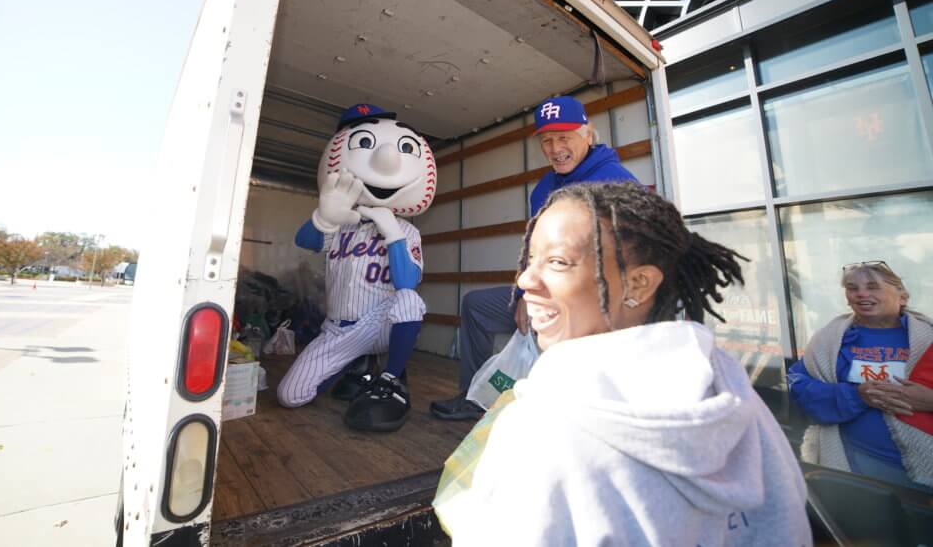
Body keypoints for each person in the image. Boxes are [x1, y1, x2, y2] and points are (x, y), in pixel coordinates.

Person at [433, 181, 812, 546]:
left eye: (557, 262)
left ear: (639, 284)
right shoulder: (733, 393)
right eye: (531, 259)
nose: (525, 280)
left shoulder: (538, 426)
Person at [431, 95, 637, 420]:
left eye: (564, 137)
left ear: (588, 133)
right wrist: (525, 295)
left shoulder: (616, 181)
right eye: (547, 140)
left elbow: (637, 254)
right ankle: (476, 397)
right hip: (544, 294)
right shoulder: (543, 189)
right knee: (476, 305)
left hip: (593, 304)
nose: (555, 148)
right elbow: (535, 251)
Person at [277, 103, 436, 433]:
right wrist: (323, 218)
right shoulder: (342, 222)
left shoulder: (406, 230)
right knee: (290, 395)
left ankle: (391, 377)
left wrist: (392, 234)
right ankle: (355, 364)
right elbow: (304, 240)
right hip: (338, 331)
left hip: (378, 323)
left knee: (409, 300)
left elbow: (408, 282)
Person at [787, 261, 933, 489]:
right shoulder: (829, 339)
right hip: (858, 461)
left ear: (903, 297)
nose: (861, 294)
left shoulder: (928, 338)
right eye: (852, 288)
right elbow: (798, 386)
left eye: (873, 286)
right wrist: (856, 395)